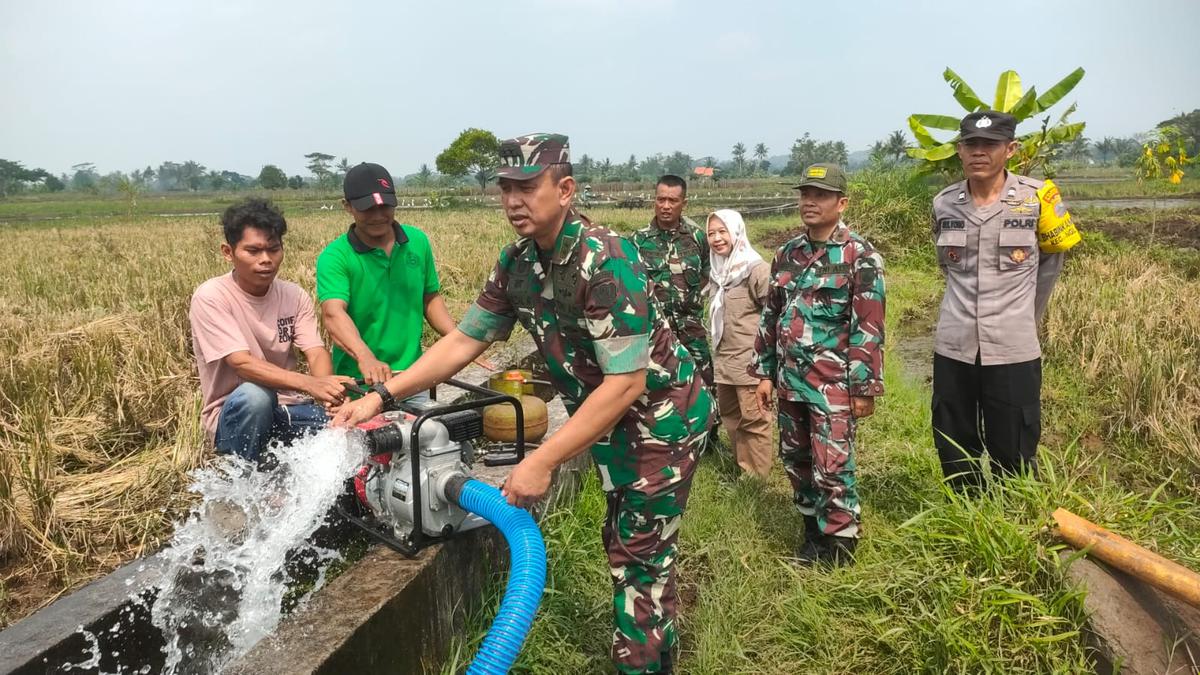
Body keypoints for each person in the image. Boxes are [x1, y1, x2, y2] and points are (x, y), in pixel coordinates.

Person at [333, 133, 713, 675]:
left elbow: (626, 384)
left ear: (565, 189)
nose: (514, 200)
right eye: (506, 188)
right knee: (636, 545)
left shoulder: (604, 261)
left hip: (661, 420)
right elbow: (464, 341)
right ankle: (659, 646)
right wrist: (381, 396)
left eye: (527, 187)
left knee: (636, 556)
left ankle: (644, 663)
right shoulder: (518, 263)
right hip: (610, 417)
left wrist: (542, 459)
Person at [751, 164, 886, 565]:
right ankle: (812, 535)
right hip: (790, 380)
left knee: (833, 464)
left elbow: (869, 325)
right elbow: (771, 316)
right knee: (796, 459)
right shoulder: (787, 253)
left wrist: (863, 388)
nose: (810, 201)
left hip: (833, 385)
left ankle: (840, 544)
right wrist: (763, 372)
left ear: (841, 203)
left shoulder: (859, 256)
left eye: (821, 195)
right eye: (806, 193)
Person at [931, 111, 1065, 491]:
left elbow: (1050, 267)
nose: (979, 152)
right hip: (954, 344)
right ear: (959, 150)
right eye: (971, 144)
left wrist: (1023, 318)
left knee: (1015, 440)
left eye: (989, 145)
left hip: (1013, 346)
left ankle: (1015, 515)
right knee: (954, 436)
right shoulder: (944, 204)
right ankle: (968, 513)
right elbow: (949, 270)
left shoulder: (1036, 199)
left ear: (1010, 149)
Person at [189, 198, 350, 463]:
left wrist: (329, 398)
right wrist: (311, 384)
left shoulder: (294, 295)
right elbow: (241, 363)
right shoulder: (212, 296)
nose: (266, 260)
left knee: (356, 425)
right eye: (253, 251)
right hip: (236, 415)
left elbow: (316, 352)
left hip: (290, 409)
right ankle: (245, 479)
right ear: (228, 252)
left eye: (273, 249)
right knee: (256, 396)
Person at [316, 162, 456, 387]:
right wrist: (366, 357)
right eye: (368, 209)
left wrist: (458, 340)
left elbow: (430, 297)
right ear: (347, 206)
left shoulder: (417, 242)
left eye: (385, 206)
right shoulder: (335, 256)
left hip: (411, 377)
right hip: (361, 383)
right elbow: (333, 313)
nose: (378, 215)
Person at [705, 209, 774, 478]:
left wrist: (767, 367)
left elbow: (775, 315)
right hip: (724, 362)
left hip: (750, 364)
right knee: (732, 419)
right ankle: (743, 469)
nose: (717, 238)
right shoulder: (717, 271)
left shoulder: (756, 269)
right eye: (711, 233)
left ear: (736, 232)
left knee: (754, 420)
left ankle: (757, 479)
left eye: (722, 232)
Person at [631, 175, 713, 389]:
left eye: (673, 201)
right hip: (655, 334)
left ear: (683, 204)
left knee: (705, 388)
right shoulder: (637, 241)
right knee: (658, 393)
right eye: (661, 200)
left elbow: (707, 274)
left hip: (692, 330)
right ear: (654, 201)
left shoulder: (697, 238)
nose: (665, 206)